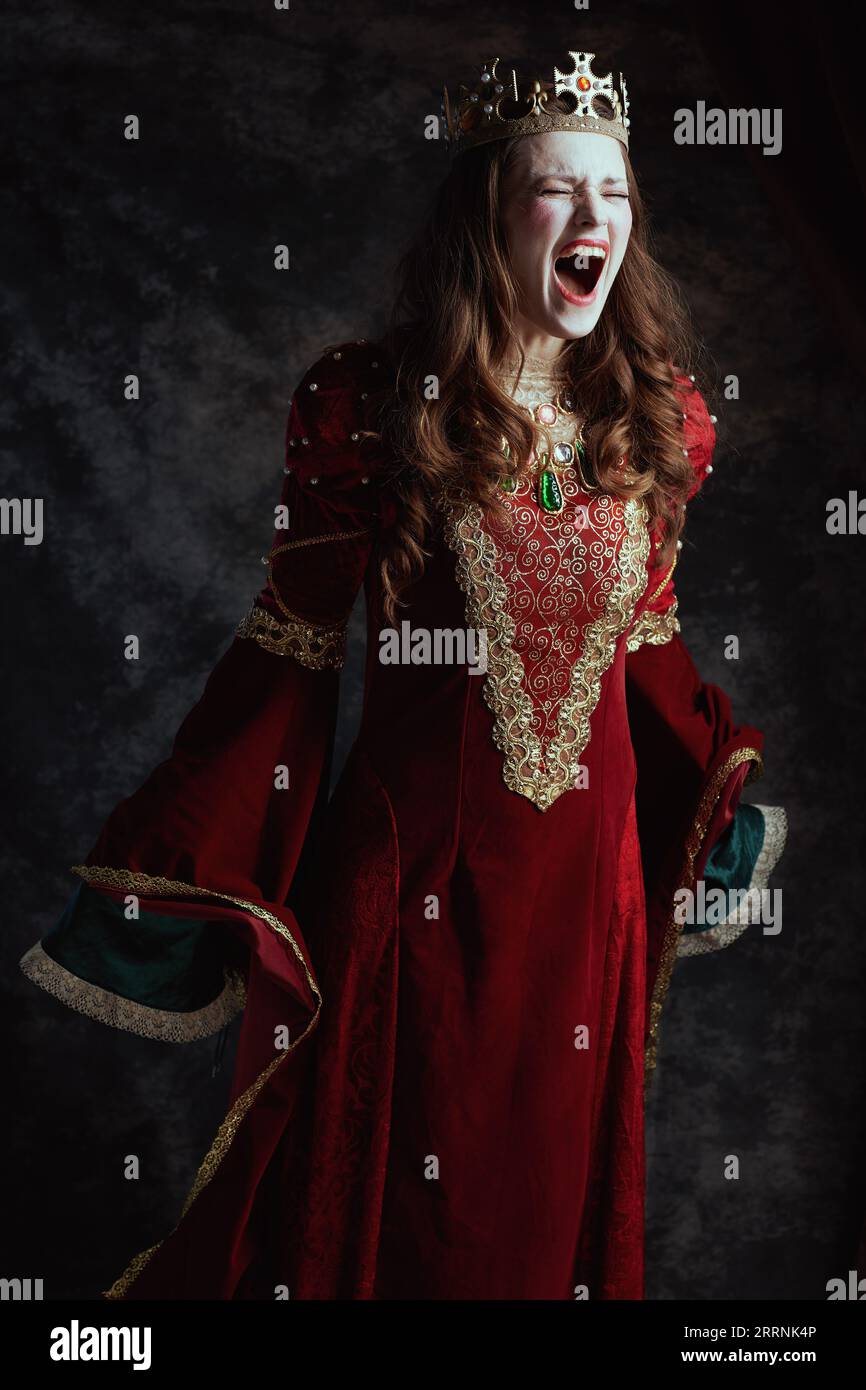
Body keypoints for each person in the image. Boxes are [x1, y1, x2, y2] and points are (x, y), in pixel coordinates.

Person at [19, 47, 786, 1300]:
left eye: (616, 192)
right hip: (413, 884)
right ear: (489, 209)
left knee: (543, 1216)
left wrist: (714, 792)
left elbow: (641, 646)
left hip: (588, 898)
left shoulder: (658, 419)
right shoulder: (374, 405)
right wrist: (178, 850)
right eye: (556, 191)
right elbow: (290, 648)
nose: (595, 220)